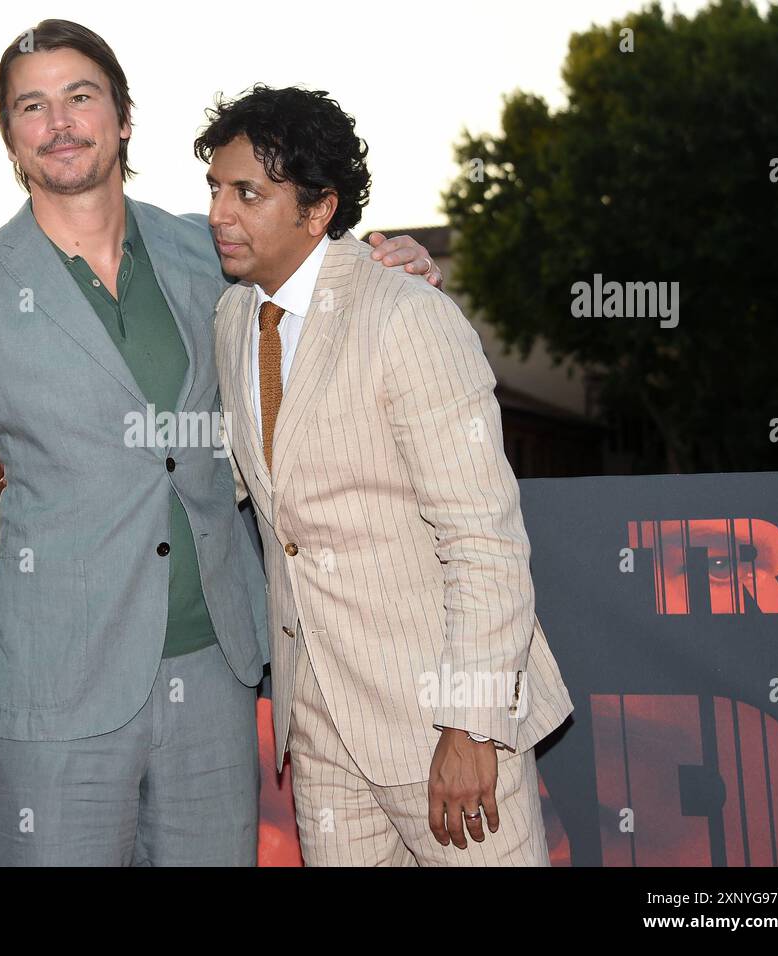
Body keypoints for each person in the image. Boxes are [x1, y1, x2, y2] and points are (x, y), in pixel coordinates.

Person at [0, 21, 440, 866]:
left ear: (123, 118)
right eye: (32, 106)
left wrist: (389, 268)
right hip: (50, 691)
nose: (61, 121)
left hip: (216, 671)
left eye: (81, 96)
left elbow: (322, 286)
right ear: (10, 136)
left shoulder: (208, 248)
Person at [201, 85, 574, 865]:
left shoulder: (406, 315)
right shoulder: (235, 319)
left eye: (247, 193)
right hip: (322, 730)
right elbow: (237, 480)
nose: (218, 214)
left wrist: (471, 727)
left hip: (444, 723)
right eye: (214, 188)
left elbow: (486, 542)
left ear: (317, 207)